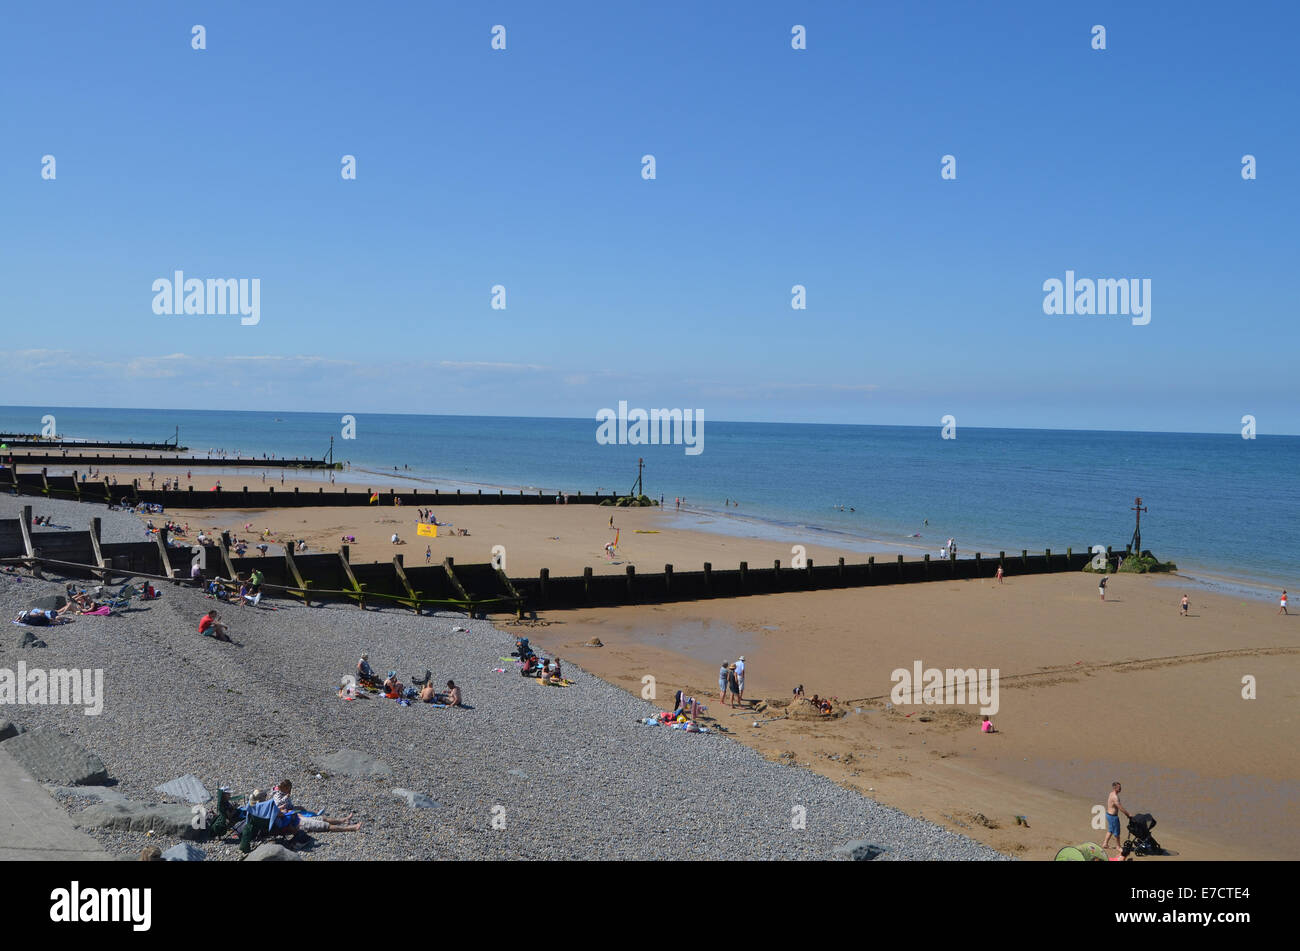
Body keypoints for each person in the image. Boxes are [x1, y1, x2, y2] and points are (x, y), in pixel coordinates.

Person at [270, 780, 361, 833]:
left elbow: (284, 813)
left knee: (322, 819)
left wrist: (293, 813)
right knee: (325, 825)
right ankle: (351, 828)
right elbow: (284, 821)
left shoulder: (271, 810)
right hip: (299, 823)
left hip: (298, 819)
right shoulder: (276, 809)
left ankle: (343, 820)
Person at [1101, 781, 1132, 851]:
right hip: (1113, 817)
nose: (1120, 788)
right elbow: (1120, 807)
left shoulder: (1111, 793)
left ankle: (1105, 843)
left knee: (1110, 830)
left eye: (1120, 787)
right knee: (1117, 832)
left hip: (1108, 815)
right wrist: (1128, 814)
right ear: (1115, 788)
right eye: (1119, 787)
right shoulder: (1115, 797)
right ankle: (1118, 846)